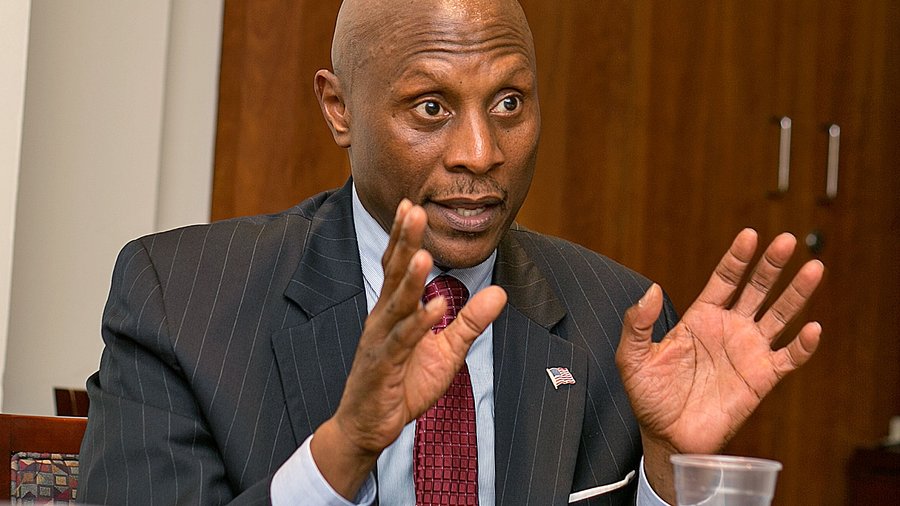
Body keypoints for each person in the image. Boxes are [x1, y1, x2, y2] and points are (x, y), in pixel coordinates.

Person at [78, 0, 824, 504]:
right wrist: (343, 452)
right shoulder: (181, 302)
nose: (481, 152)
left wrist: (670, 476)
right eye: (431, 107)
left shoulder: (619, 322)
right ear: (339, 109)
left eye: (509, 103)